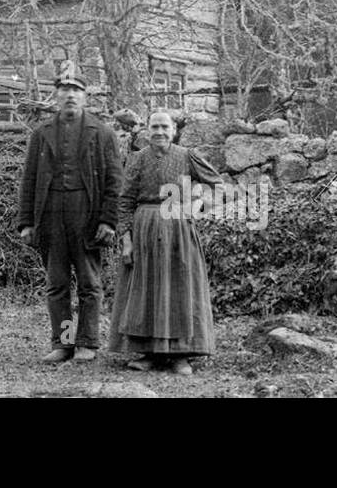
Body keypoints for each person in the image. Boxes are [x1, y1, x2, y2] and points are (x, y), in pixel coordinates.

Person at [17, 72, 122, 363]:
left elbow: (115, 182)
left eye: (76, 90)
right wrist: (26, 222)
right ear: (56, 96)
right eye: (64, 89)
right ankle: (63, 343)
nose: (70, 95)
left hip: (86, 214)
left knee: (90, 283)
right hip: (50, 216)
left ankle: (87, 342)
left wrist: (108, 221)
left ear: (85, 96)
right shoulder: (41, 133)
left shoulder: (102, 133)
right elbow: (29, 180)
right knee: (57, 284)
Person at [108, 109, 220, 376]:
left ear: (174, 131)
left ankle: (181, 356)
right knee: (147, 291)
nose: (159, 132)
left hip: (179, 228)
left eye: (164, 127)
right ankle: (150, 354)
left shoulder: (187, 156)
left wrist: (197, 204)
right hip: (144, 227)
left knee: (180, 288)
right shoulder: (137, 159)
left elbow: (217, 184)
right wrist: (126, 239)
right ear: (147, 130)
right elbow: (124, 201)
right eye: (154, 127)